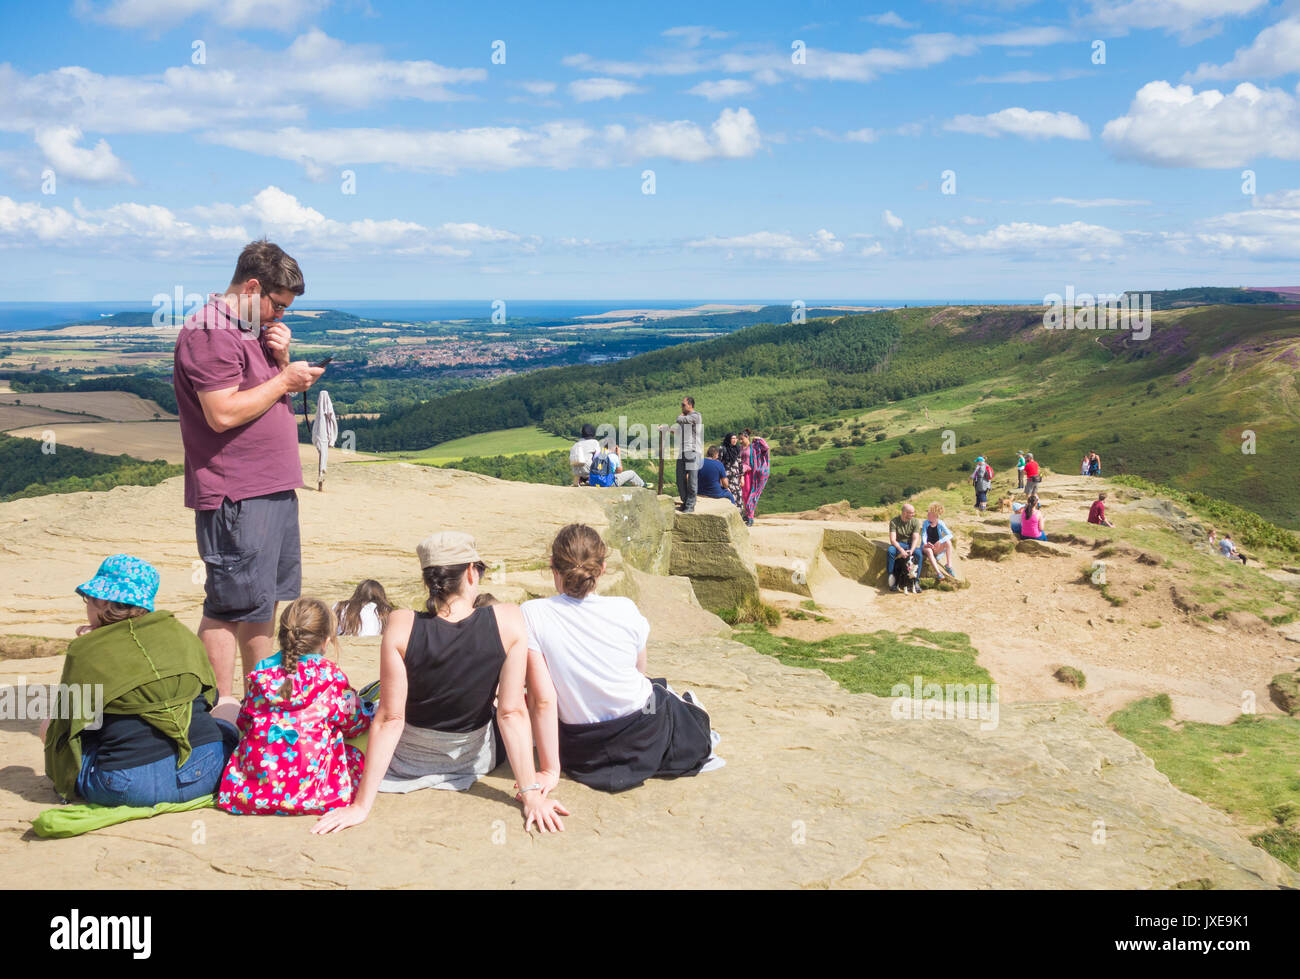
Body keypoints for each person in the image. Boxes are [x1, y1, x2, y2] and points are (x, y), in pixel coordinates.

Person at [311, 532, 568, 834]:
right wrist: (532, 795)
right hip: (474, 759)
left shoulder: (401, 623)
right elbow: (510, 713)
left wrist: (360, 805)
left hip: (408, 762)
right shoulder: (509, 619)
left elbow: (391, 718)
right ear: (472, 573)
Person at [173, 240, 324, 702]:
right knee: (229, 605)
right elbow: (221, 414)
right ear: (253, 285)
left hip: (270, 487)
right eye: (277, 305)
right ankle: (220, 710)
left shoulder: (247, 328)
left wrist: (280, 360)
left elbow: (259, 394)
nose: (280, 316)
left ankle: (260, 702)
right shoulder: (210, 331)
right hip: (237, 493)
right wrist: (284, 380)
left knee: (262, 600)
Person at [520, 524, 722, 792]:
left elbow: (543, 700)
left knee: (659, 690)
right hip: (644, 733)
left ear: (552, 566)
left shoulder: (531, 614)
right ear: (602, 568)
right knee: (671, 702)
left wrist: (549, 769)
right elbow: (640, 672)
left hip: (583, 750)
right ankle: (691, 710)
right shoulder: (625, 608)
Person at [42, 555, 237, 807]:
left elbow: (69, 722)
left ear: (102, 602)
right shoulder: (179, 632)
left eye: (88, 599)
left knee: (49, 724)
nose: (87, 605)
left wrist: (91, 643)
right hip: (208, 772)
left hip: (126, 787)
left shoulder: (85, 652)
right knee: (229, 705)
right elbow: (210, 698)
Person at [216, 598, 373, 815]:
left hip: (254, 792)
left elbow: (244, 720)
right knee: (366, 731)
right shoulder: (331, 677)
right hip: (318, 793)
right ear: (326, 641)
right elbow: (355, 725)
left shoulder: (261, 673)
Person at [674, 397, 702, 513]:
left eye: (683, 405)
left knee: (692, 481)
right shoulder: (686, 418)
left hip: (693, 451)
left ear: (690, 405)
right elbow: (679, 431)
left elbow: (681, 420)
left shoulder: (696, 416)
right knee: (680, 479)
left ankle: (690, 505)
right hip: (683, 451)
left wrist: (679, 417)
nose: (681, 407)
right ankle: (685, 502)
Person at [888, 503, 923, 593]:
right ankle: (893, 580)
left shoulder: (915, 521)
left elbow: (916, 538)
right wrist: (901, 550)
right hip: (899, 544)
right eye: (911, 513)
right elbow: (892, 540)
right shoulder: (894, 521)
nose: (913, 514)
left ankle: (915, 582)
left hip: (910, 544)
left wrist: (911, 550)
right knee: (890, 551)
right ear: (904, 513)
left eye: (913, 512)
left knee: (919, 554)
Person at [739, 429, 771, 527]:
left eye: (742, 439)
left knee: (751, 496)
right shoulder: (740, 448)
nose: (740, 441)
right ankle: (747, 514)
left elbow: (766, 448)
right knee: (744, 496)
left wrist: (760, 439)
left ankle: (751, 518)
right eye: (739, 439)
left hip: (752, 475)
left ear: (747, 437)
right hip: (743, 474)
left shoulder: (753, 447)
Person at [920, 502, 957, 580]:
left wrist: (940, 541)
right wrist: (926, 543)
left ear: (935, 516)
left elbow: (950, 535)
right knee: (929, 551)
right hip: (926, 547)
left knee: (948, 542)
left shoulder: (940, 523)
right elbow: (923, 535)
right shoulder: (925, 523)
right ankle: (938, 573)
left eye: (929, 514)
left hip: (936, 548)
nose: (927, 515)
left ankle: (949, 565)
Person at [720, 433, 744, 507]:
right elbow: (719, 464)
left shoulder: (737, 449)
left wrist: (742, 477)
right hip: (726, 478)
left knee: (739, 496)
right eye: (732, 438)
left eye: (735, 438)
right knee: (729, 497)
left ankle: (739, 515)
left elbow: (740, 463)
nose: (735, 440)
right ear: (728, 439)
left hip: (736, 478)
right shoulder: (722, 449)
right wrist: (720, 479)